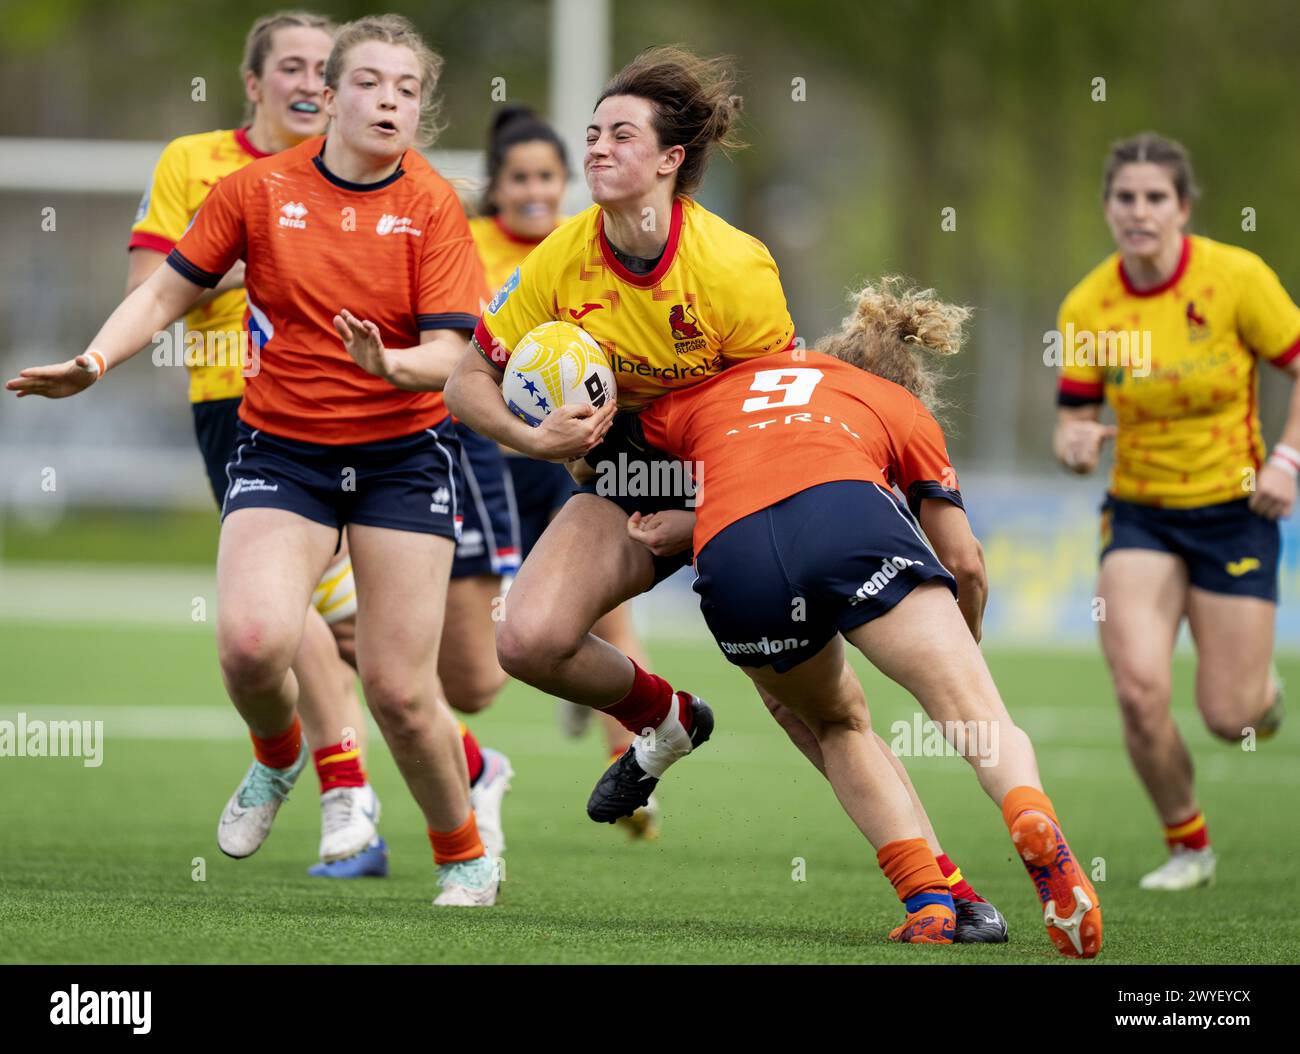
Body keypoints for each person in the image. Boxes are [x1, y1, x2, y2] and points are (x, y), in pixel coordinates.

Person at [9, 13, 499, 907]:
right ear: (329, 95)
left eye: (408, 89)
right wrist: (92, 362)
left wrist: (389, 364)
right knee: (250, 644)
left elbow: (450, 354)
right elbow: (163, 290)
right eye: (370, 83)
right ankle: (277, 762)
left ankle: (464, 851)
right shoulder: (256, 190)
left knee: (398, 690)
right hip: (284, 450)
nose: (389, 99)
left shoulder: (430, 202)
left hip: (402, 458)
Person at [626, 278, 1102, 957]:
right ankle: (1029, 815)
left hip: (734, 553)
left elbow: (617, 435)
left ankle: (928, 901)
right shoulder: (897, 407)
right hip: (846, 518)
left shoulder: (724, 387)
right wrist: (958, 642)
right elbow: (964, 560)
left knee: (831, 721)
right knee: (973, 713)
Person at [445, 46, 797, 826]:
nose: (596, 147)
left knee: (802, 704)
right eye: (592, 133)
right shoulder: (562, 256)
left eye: (620, 135)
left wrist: (705, 516)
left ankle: (936, 886)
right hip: (629, 481)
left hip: (735, 487)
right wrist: (536, 440)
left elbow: (779, 422)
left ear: (672, 159)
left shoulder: (735, 268)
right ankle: (670, 719)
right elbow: (464, 381)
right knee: (526, 642)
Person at [1054, 132, 1299, 891]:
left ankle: (1261, 697)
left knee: (1231, 717)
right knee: (1137, 690)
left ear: (1183, 208)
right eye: (1125, 198)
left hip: (1236, 510)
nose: (1140, 211)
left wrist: (1287, 462)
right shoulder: (1089, 305)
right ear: (1106, 209)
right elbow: (1074, 418)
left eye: (1156, 197)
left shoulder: (1238, 278)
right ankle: (1189, 844)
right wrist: (1072, 442)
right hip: (1140, 515)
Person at [468, 103, 660, 838]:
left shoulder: (582, 249)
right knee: (489, 656)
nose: (536, 190)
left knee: (612, 609)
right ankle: (571, 672)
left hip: (573, 459)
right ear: (497, 185)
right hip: (492, 461)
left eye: (548, 175)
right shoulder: (467, 243)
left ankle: (634, 764)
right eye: (520, 178)